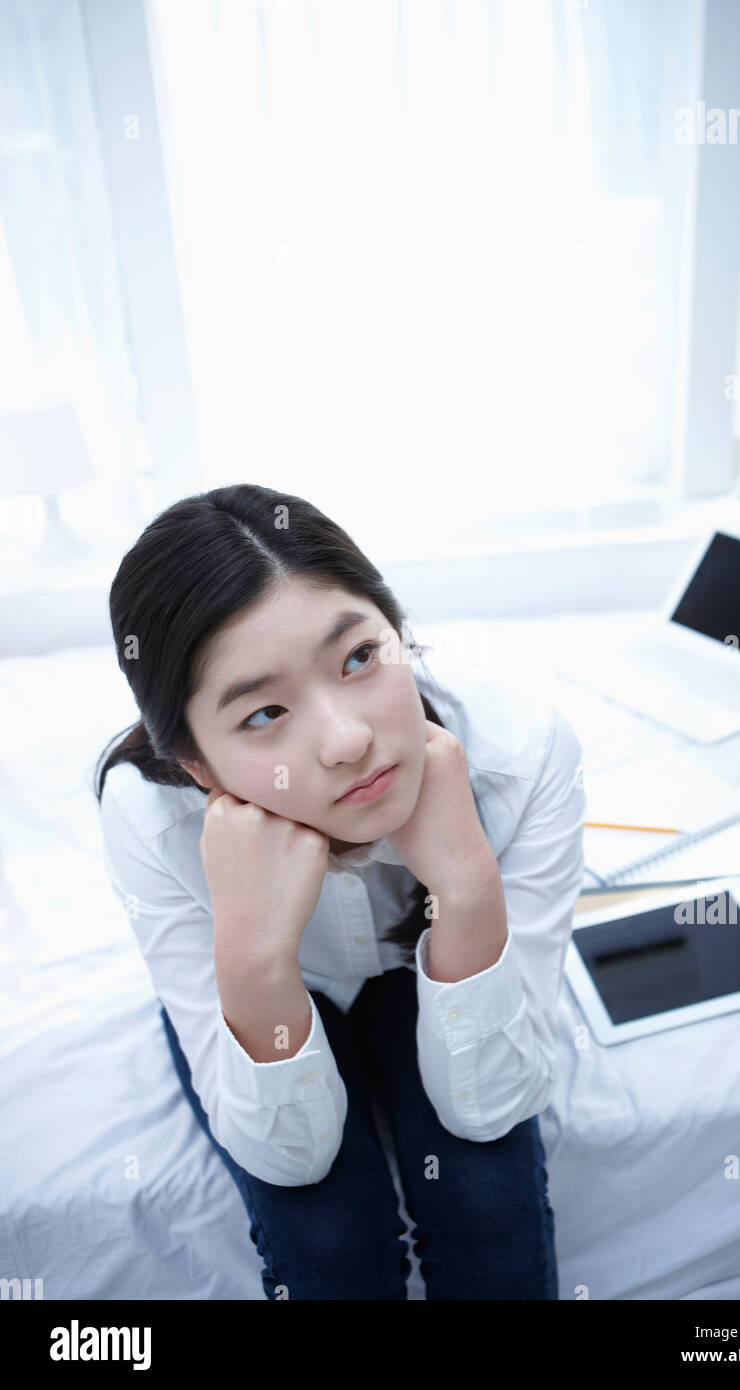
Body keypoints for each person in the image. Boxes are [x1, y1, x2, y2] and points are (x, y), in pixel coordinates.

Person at [93, 483, 587, 1300]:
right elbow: (291, 1154)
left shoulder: (522, 757)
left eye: (361, 658)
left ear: (400, 634)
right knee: (329, 1244)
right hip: (279, 994)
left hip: (423, 970)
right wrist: (254, 960)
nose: (349, 740)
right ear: (198, 766)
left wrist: (464, 885)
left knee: (486, 1201)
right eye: (264, 713)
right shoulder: (151, 820)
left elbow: (490, 1104)